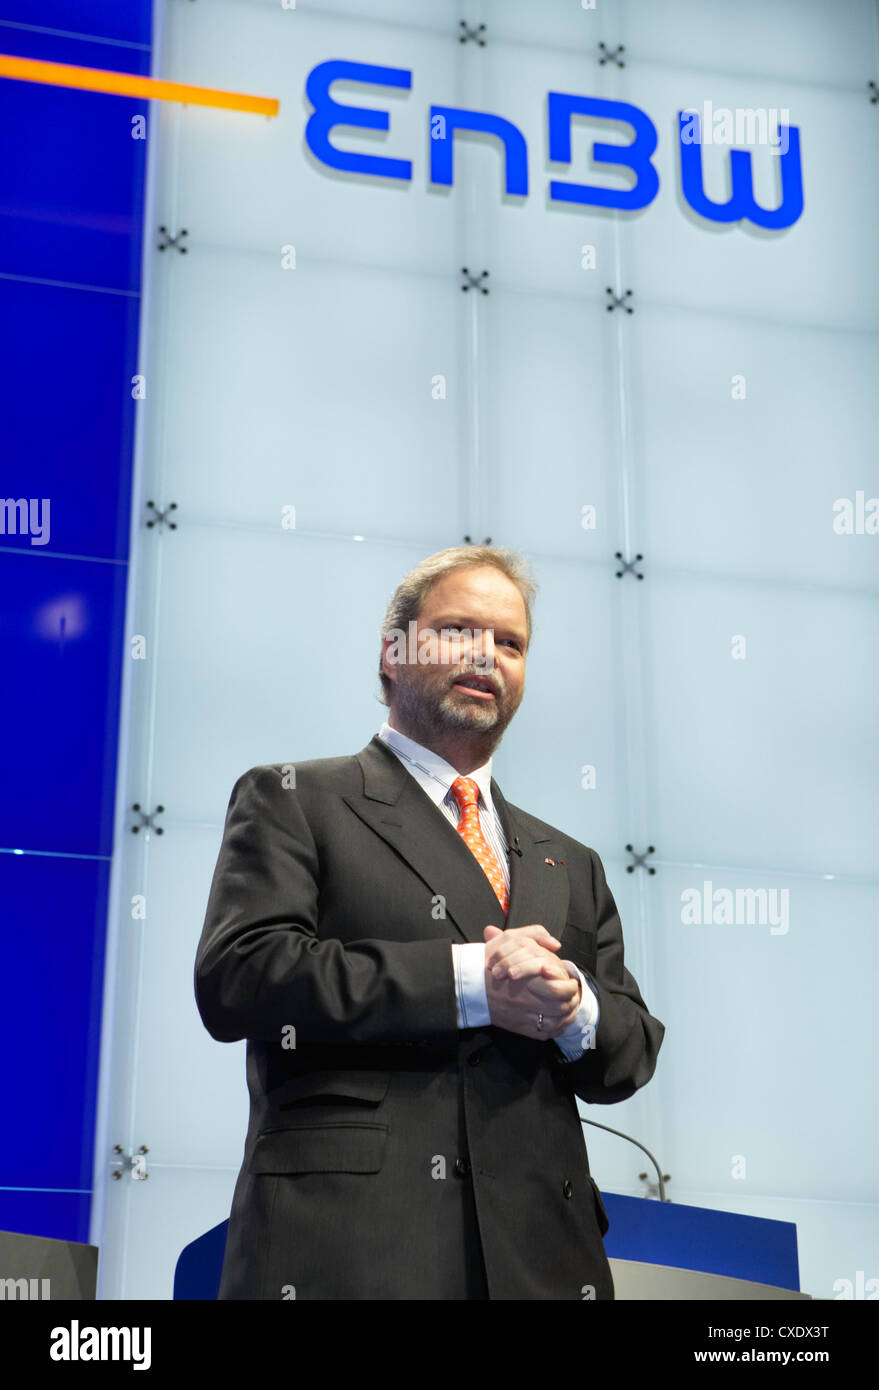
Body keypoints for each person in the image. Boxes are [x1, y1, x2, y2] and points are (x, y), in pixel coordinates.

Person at [195, 545, 665, 1300]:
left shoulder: (567, 861)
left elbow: (627, 1054)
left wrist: (574, 1005)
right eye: (458, 631)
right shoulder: (295, 798)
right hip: (352, 1247)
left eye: (510, 643)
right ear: (392, 652)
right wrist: (472, 983)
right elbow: (239, 978)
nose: (488, 655)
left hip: (544, 1261)